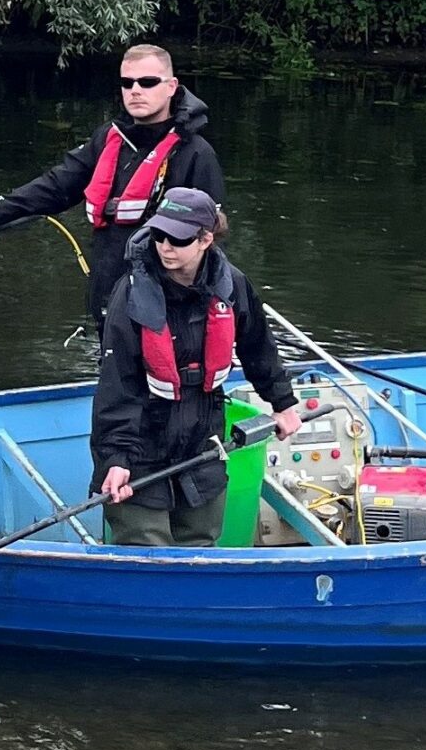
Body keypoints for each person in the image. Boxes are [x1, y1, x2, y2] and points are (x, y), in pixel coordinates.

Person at [0, 43, 224, 328]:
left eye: (147, 82)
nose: (135, 90)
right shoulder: (108, 138)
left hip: (168, 311)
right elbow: (56, 186)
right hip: (110, 300)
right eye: (127, 82)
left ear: (171, 86)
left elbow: (211, 240)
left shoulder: (197, 154)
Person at [90, 188, 301, 547]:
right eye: (158, 235)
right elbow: (117, 385)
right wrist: (115, 458)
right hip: (142, 449)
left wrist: (282, 403)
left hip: (203, 443)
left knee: (200, 548)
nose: (165, 246)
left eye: (178, 238)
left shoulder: (232, 284)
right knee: (145, 553)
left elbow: (257, 345)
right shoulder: (131, 295)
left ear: (205, 239)